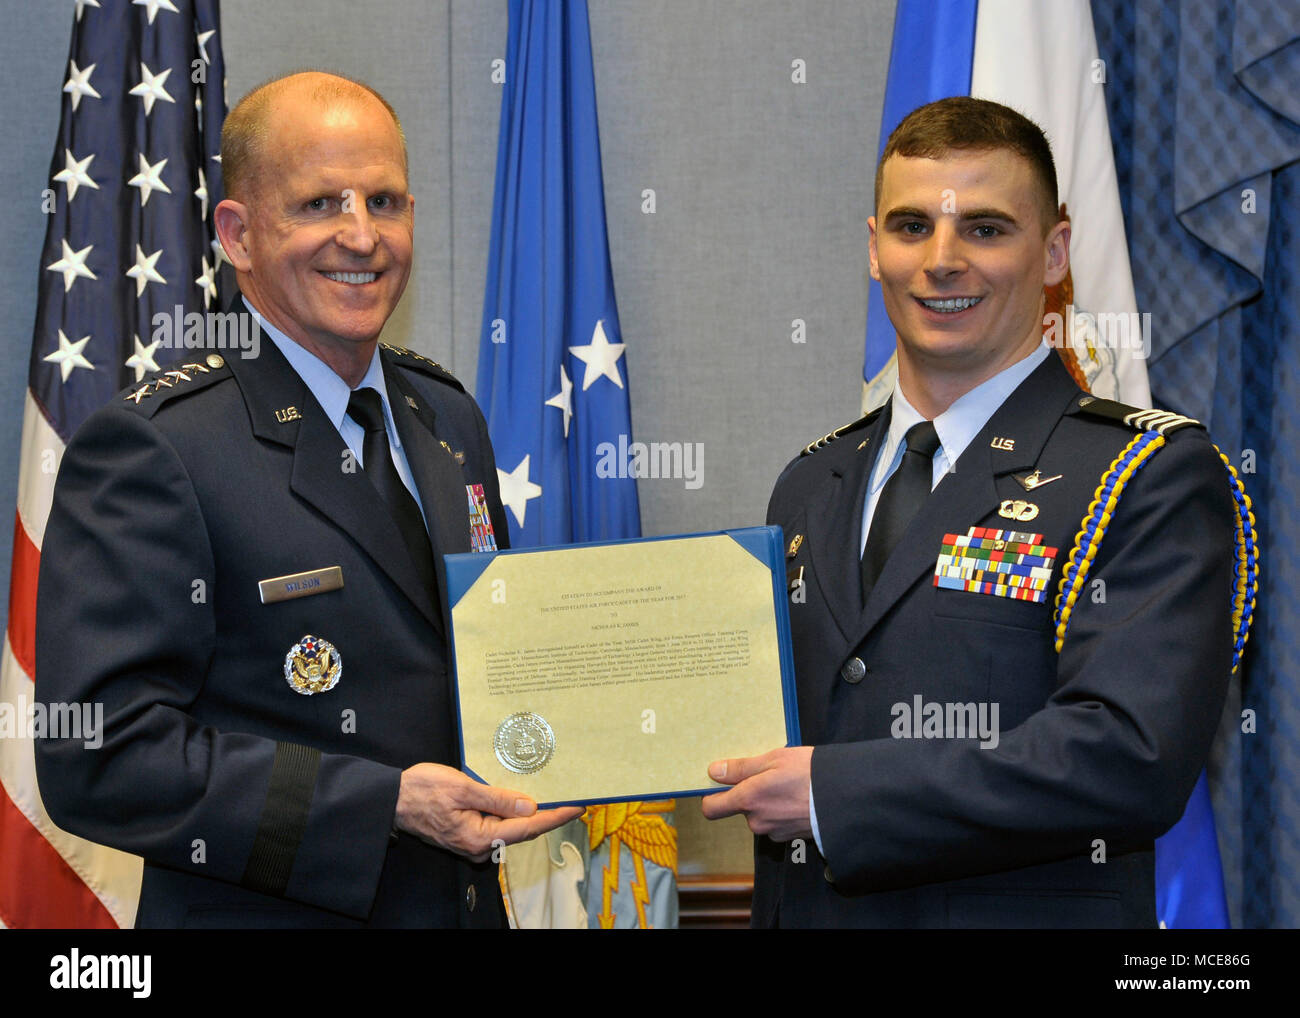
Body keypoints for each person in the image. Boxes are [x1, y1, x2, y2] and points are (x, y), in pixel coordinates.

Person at [34, 71, 580, 928]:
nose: (362, 236)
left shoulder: (446, 419)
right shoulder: (158, 448)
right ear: (239, 235)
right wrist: (381, 806)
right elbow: (97, 756)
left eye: (386, 201)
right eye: (321, 204)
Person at [702, 97, 1254, 928]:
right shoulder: (811, 483)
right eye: (911, 226)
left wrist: (835, 794)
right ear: (874, 247)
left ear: (1056, 249)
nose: (943, 260)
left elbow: (1128, 755)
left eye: (987, 229)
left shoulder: (1147, 474)